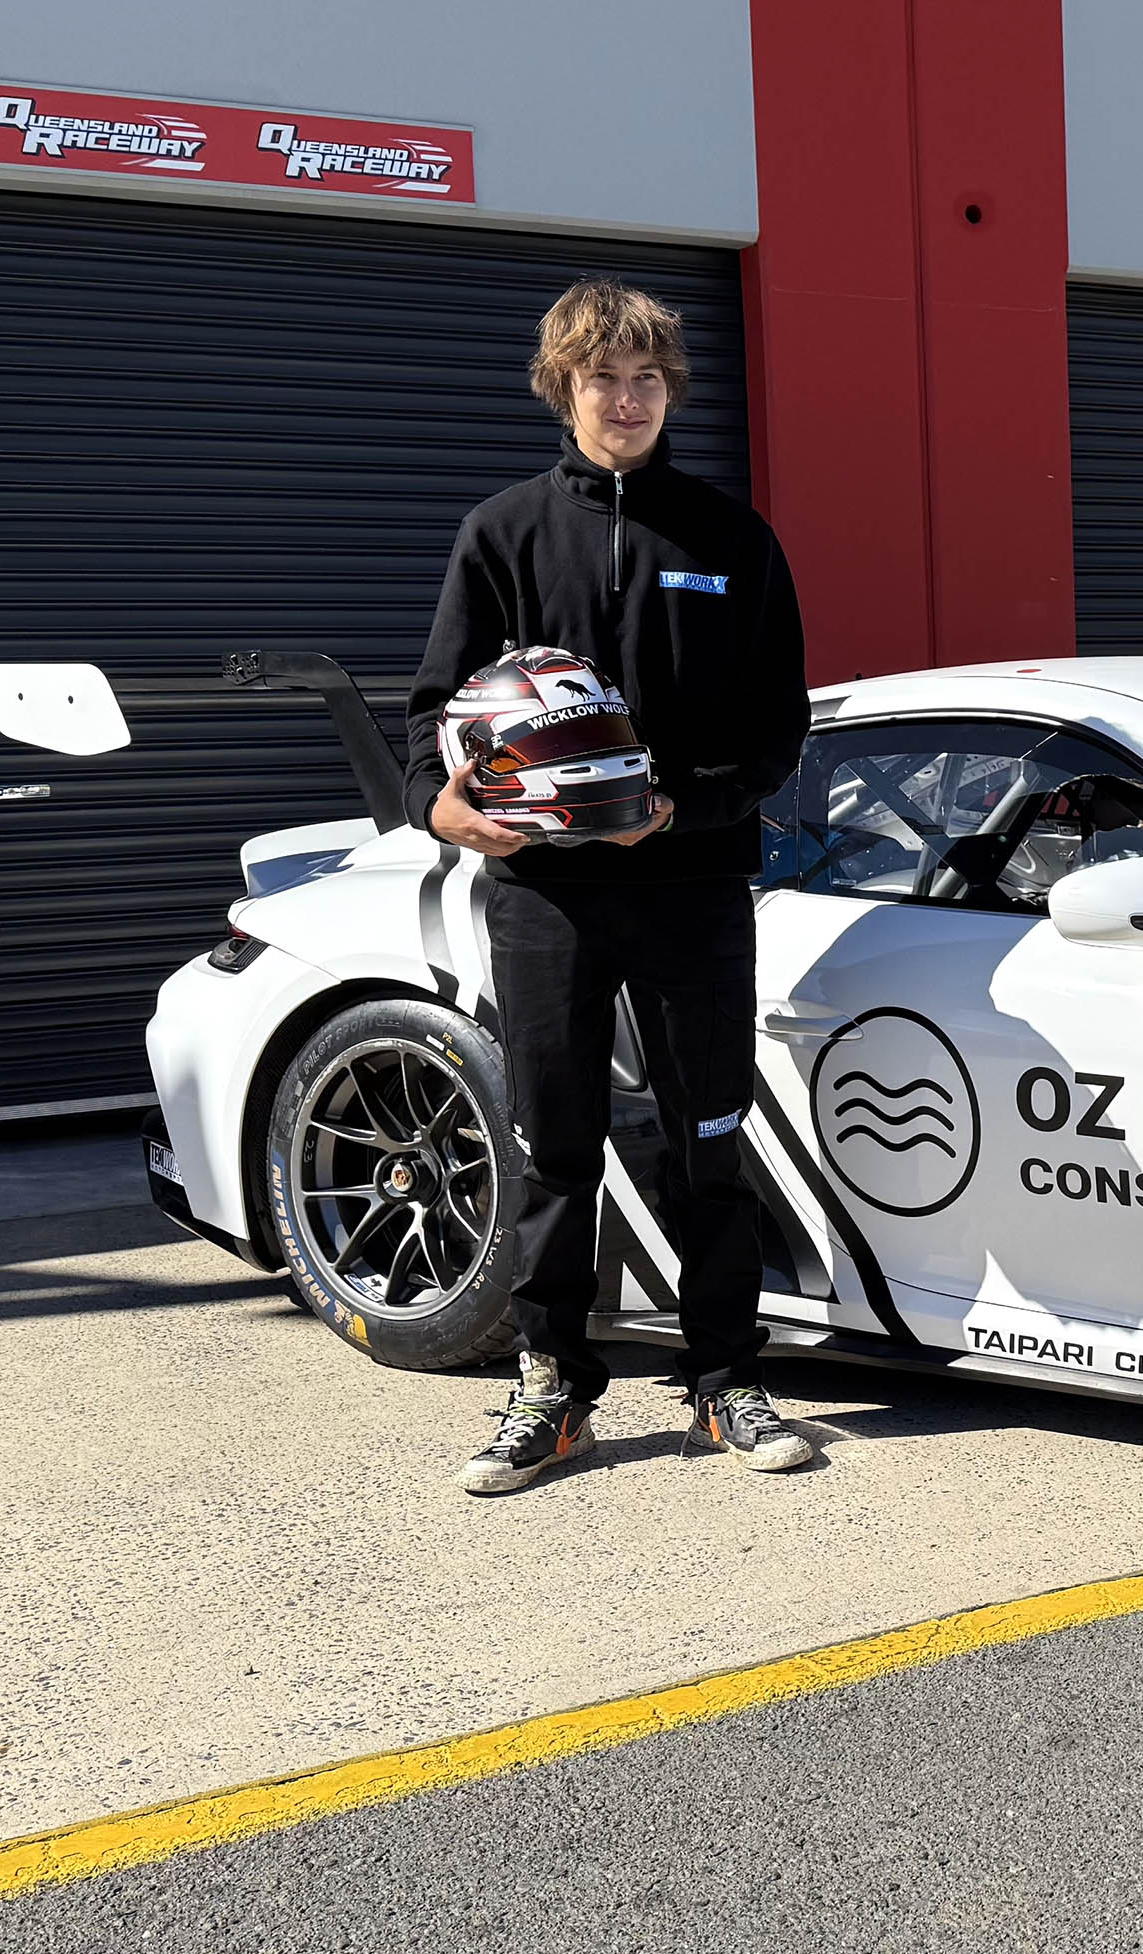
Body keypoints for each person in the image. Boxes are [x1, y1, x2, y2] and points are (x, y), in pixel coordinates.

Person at [402, 278, 815, 1494]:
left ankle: (724, 1377)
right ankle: (552, 1387)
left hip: (690, 884)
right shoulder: (504, 532)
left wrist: (691, 803)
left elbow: (779, 730)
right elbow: (439, 709)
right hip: (547, 897)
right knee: (554, 1143)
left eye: (645, 380)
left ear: (668, 392)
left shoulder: (731, 539)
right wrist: (450, 801)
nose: (625, 401)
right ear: (564, 389)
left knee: (708, 1140)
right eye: (602, 380)